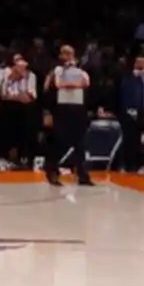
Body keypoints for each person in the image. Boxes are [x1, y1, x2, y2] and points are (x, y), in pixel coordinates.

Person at [44, 44, 93, 186]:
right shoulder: (56, 70)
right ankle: (52, 171)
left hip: (78, 109)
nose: (67, 56)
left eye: (69, 53)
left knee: (80, 144)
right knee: (59, 142)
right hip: (61, 110)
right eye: (64, 53)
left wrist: (72, 84)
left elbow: (86, 83)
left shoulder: (81, 71)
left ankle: (82, 175)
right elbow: (58, 84)